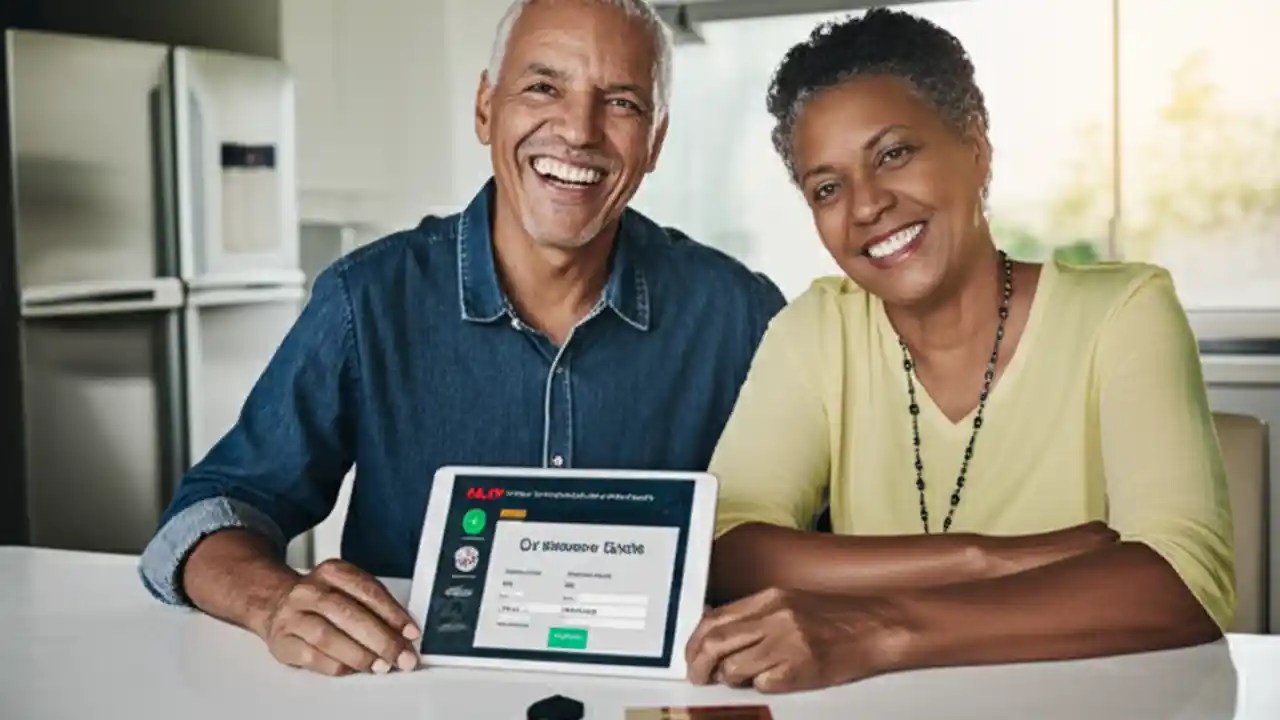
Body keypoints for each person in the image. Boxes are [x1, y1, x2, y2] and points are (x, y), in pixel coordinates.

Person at [139, 0, 784, 677]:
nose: (577, 129)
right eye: (543, 87)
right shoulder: (368, 298)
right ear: (485, 108)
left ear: (654, 141)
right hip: (406, 695)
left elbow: (813, 540)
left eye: (621, 102)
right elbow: (210, 515)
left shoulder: (741, 315)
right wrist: (274, 603)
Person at [685, 8, 1234, 693]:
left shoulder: (1125, 312)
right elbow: (725, 547)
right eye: (827, 188)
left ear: (976, 148)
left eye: (893, 154)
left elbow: (1182, 582)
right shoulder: (817, 329)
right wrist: (983, 560)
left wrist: (877, 627)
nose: (865, 205)